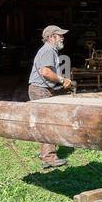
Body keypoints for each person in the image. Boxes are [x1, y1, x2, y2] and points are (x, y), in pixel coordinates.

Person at [28, 24, 74, 168]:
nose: (62, 37)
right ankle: (49, 157)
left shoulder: (50, 51)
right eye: (60, 35)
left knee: (44, 122)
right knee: (47, 123)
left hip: (41, 89)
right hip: (40, 90)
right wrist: (62, 80)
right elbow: (45, 72)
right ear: (51, 37)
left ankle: (45, 153)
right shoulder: (48, 50)